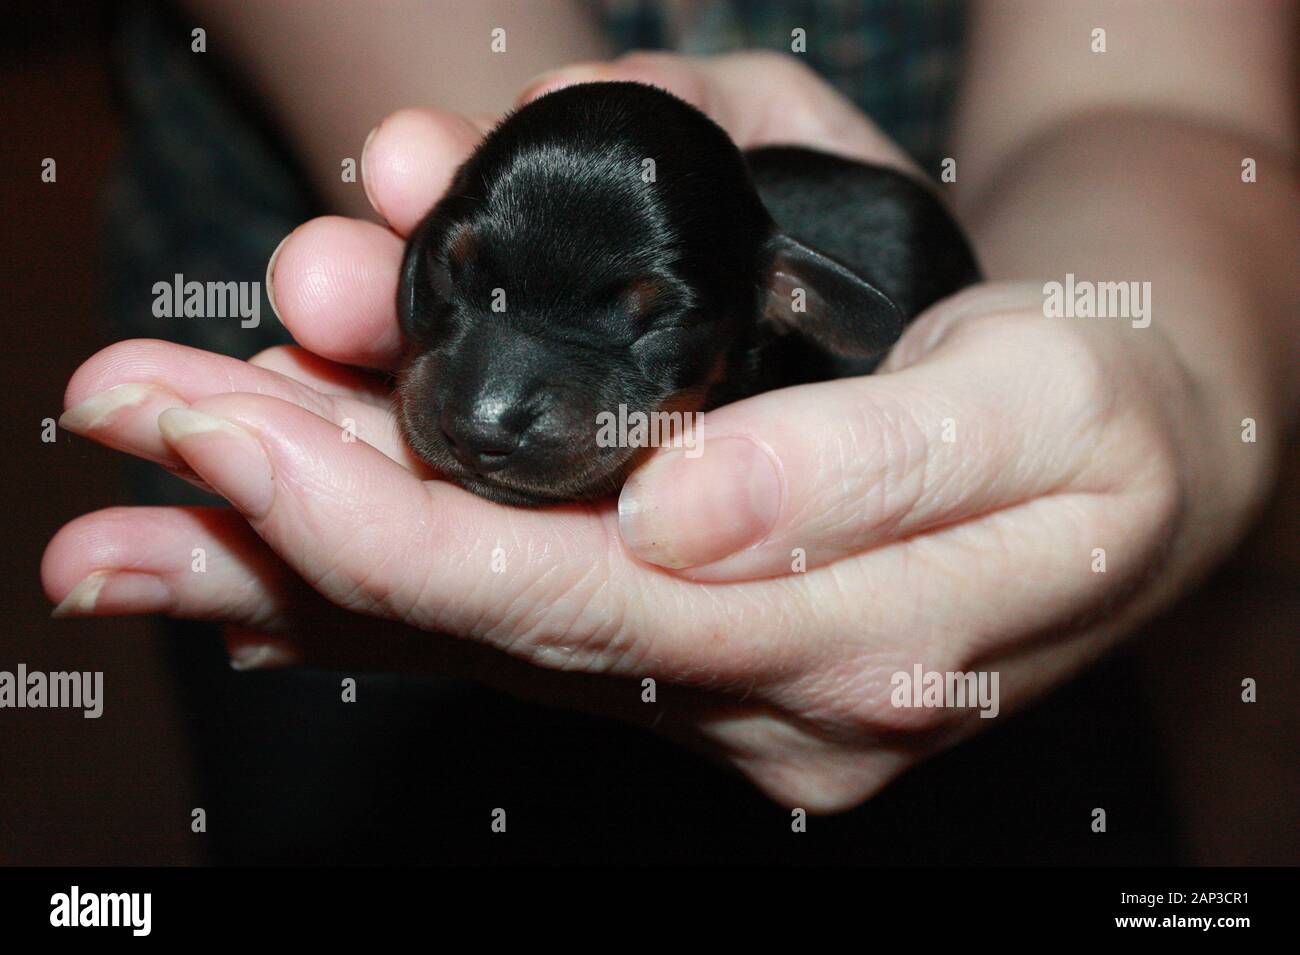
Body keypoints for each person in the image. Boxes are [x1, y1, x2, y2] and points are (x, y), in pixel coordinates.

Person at [43, 1, 1296, 855]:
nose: (484, 408)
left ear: (779, 305)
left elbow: (1161, 89)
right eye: (458, 283)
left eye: (635, 330)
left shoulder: (861, 278)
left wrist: (1169, 385)